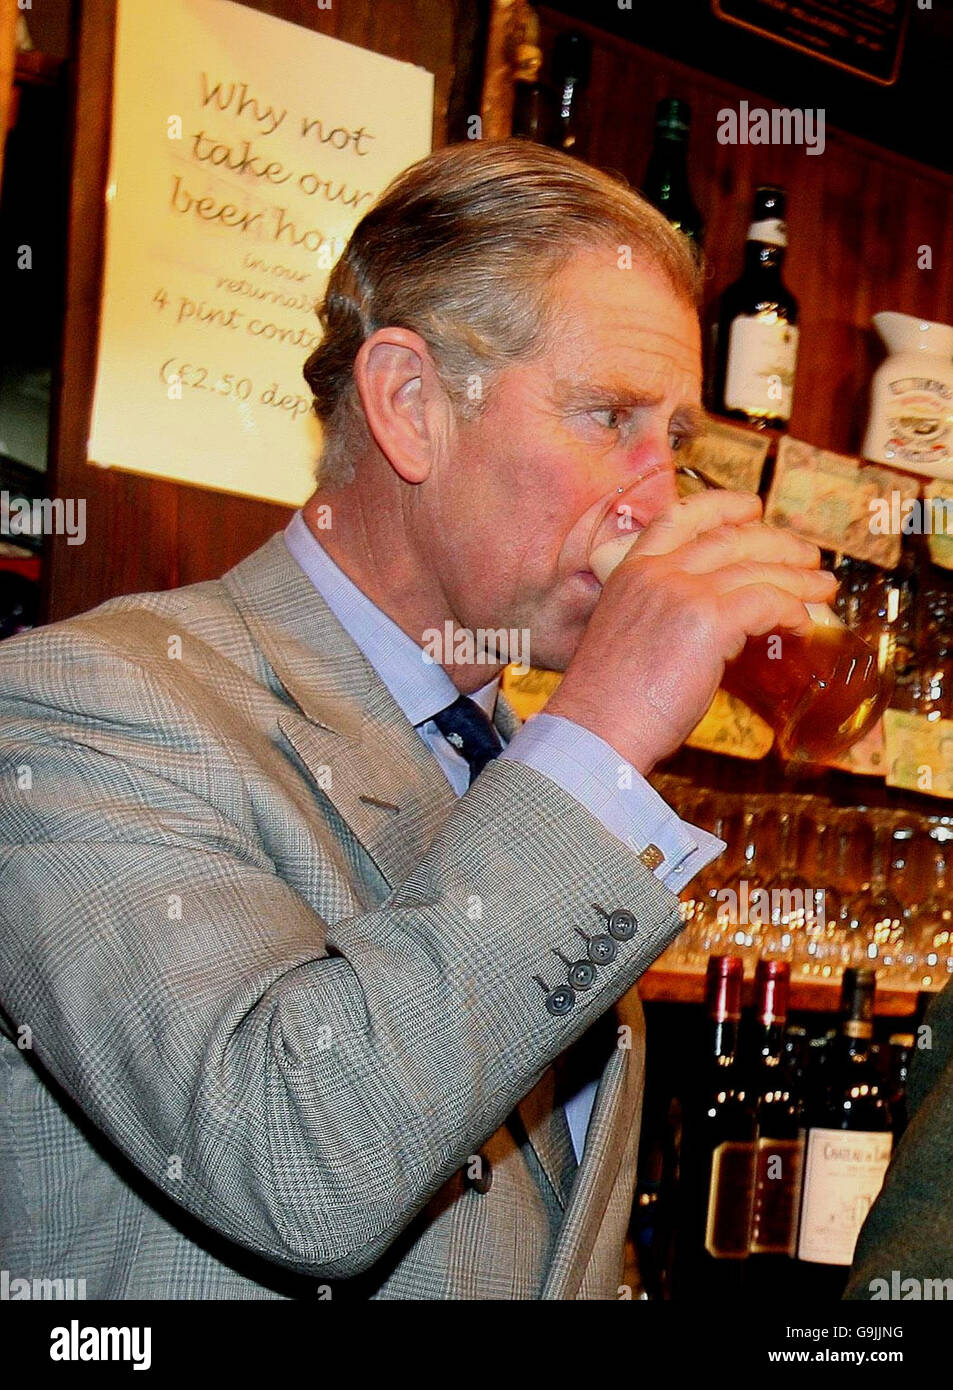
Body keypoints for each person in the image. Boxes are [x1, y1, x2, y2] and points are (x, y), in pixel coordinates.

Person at [0, 140, 833, 1299]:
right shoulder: (81, 703)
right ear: (408, 406)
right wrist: (602, 731)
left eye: (675, 443)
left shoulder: (518, 768)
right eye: (607, 417)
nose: (661, 499)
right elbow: (294, 1162)